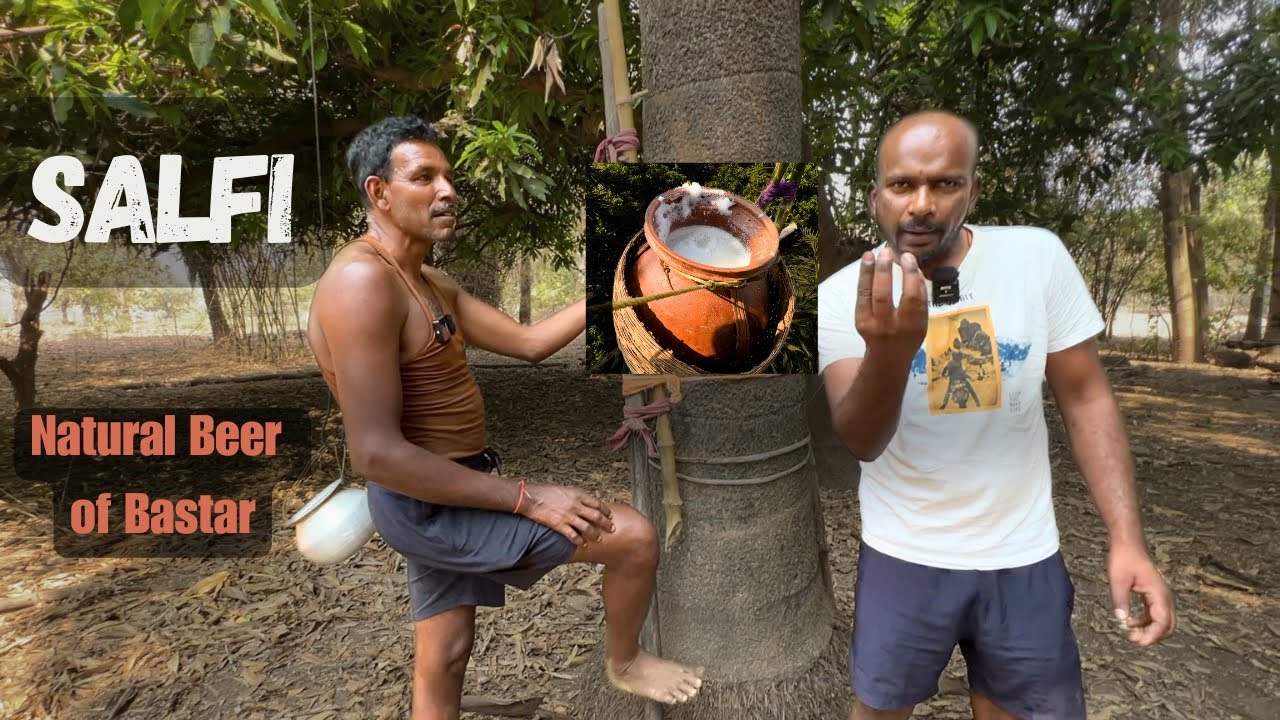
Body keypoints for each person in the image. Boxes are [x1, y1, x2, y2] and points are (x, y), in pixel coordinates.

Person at [307, 116, 702, 720]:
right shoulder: (361, 283)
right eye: (424, 177)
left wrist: (627, 286)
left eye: (448, 177)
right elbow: (376, 453)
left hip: (452, 485)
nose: (447, 191)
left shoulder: (427, 281)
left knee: (444, 653)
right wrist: (528, 497)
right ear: (378, 193)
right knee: (631, 537)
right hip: (425, 503)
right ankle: (624, 664)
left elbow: (530, 342)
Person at [818, 110, 1176, 720]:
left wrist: (1128, 540)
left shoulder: (1036, 259)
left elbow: (1086, 396)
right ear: (876, 197)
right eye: (903, 185)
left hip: (1023, 553)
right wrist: (889, 350)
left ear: (973, 190)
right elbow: (861, 439)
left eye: (945, 183)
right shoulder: (842, 295)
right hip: (904, 554)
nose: (922, 204)